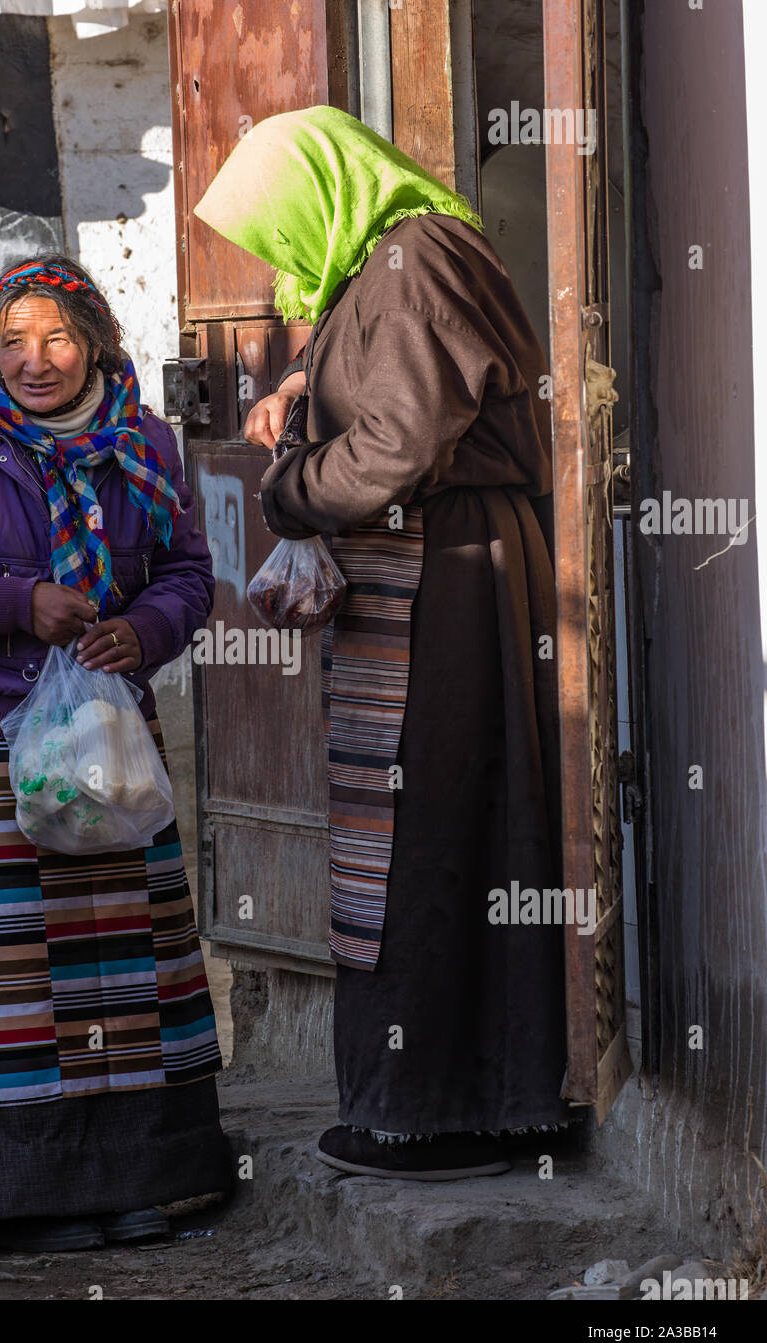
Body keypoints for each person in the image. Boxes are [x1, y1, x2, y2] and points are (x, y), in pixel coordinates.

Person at [194, 105, 573, 1180]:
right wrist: (304, 388)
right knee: (423, 824)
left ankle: (434, 1111)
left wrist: (290, 491)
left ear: (321, 192)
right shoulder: (390, 260)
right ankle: (464, 1101)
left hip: (443, 579)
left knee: (422, 828)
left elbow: (401, 440)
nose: (273, 257)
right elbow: (393, 383)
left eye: (275, 228)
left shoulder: (415, 260)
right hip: (430, 573)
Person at [0, 255, 231, 1250]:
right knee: (11, 979)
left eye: (59, 339)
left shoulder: (144, 444)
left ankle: (132, 1178)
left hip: (107, 742)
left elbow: (187, 576)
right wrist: (14, 602)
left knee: (118, 966)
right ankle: (23, 1194)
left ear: (96, 344)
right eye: (14, 342)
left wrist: (146, 630)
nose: (37, 361)